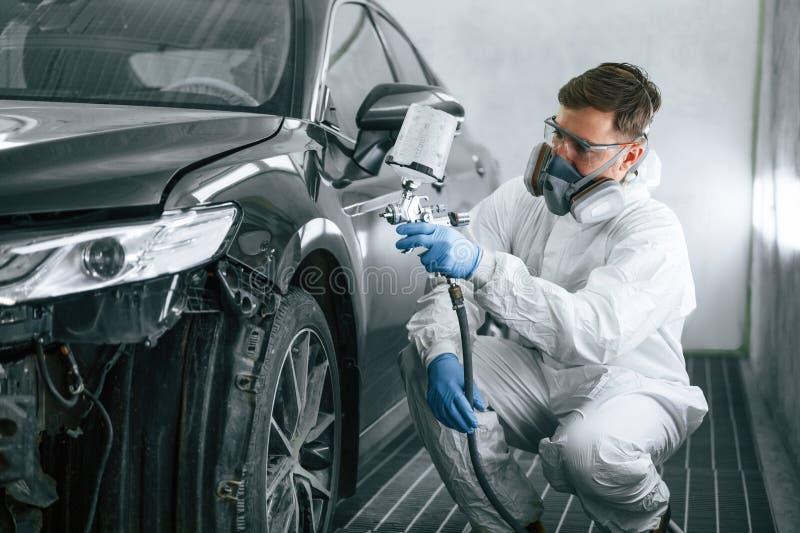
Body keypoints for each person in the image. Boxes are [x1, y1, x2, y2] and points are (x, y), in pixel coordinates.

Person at [395, 63, 708, 533]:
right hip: (541, 375)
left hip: (634, 388)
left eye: (580, 147)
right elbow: (453, 285)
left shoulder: (652, 231)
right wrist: (442, 352)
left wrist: (483, 266)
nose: (558, 154)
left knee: (593, 450)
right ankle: (516, 525)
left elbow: (594, 333)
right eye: (558, 133)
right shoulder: (520, 201)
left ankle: (651, 524)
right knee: (425, 359)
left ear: (629, 156)